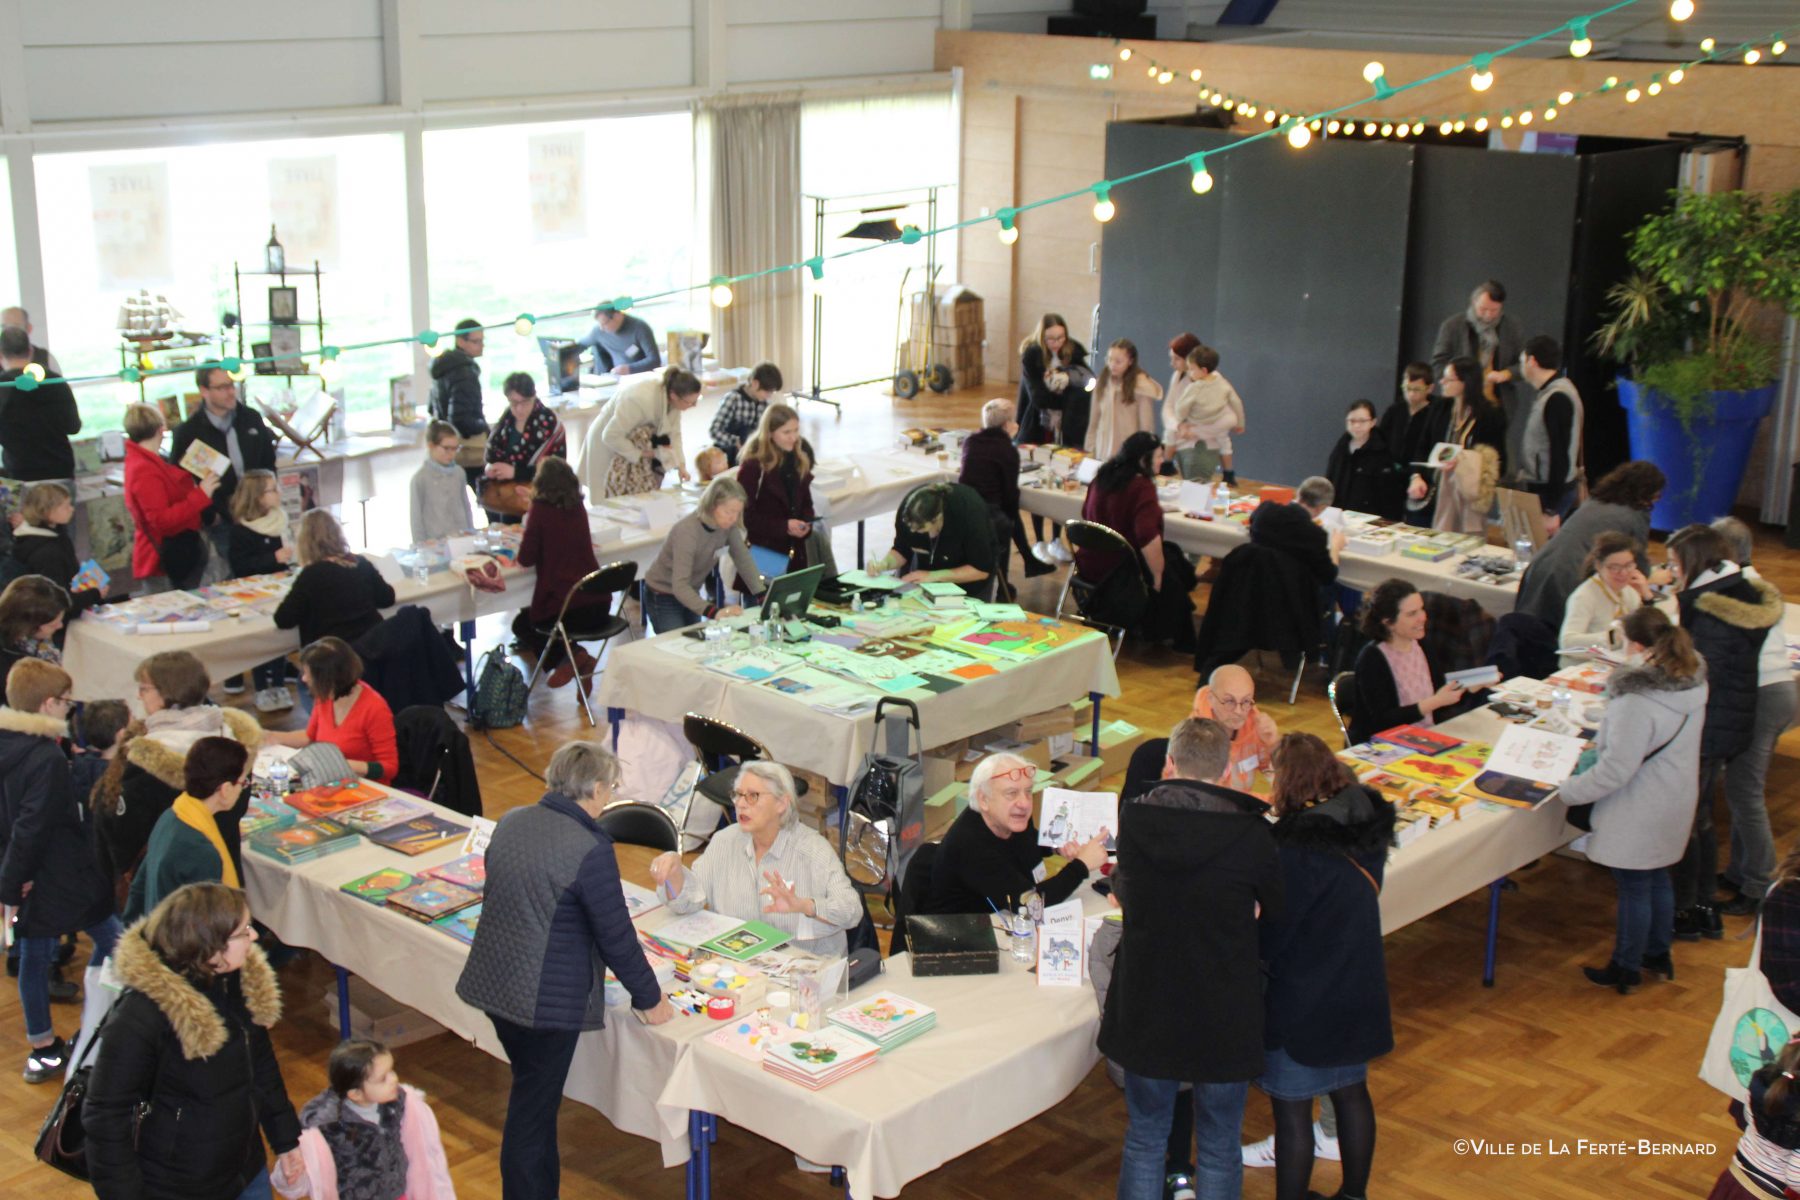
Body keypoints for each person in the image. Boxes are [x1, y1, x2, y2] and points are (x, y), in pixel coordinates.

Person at [455, 742, 673, 1200]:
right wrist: (650, 999)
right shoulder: (588, 847)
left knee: (533, 1097)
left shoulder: (512, 820)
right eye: (611, 788)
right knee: (531, 1115)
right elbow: (616, 937)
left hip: (496, 985)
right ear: (594, 789)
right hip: (542, 1004)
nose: (610, 796)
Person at [1099, 717, 1282, 1200]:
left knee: (1144, 1139)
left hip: (1149, 1003)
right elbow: (1275, 907)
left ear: (1169, 763)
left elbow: (1128, 894)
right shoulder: (1251, 834)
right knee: (1220, 1145)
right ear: (1225, 772)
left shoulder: (1135, 823)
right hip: (1224, 1008)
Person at [86, 883, 302, 1200]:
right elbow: (106, 1114)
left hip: (245, 1169)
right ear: (211, 947)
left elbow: (261, 1064)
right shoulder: (141, 1016)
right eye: (243, 932)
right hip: (178, 1187)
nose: (254, 937)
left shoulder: (238, 981)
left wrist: (286, 1139)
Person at [1254, 733, 1393, 1200]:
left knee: (1292, 1114)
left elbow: (1276, 932)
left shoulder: (1294, 852)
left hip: (1302, 1002)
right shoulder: (1364, 824)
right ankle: (1355, 1194)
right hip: (1356, 986)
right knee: (1352, 1094)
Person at [1558, 606, 1706, 993]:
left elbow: (1614, 771)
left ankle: (1626, 966)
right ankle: (1657, 953)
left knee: (1634, 884)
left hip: (1638, 806)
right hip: (1674, 796)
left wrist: (1567, 790)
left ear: (1636, 645)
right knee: (1657, 875)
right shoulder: (1691, 682)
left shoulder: (1636, 700)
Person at [0, 658, 120, 1082]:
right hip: (63, 873)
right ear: (48, 704)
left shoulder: (10, 742)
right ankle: (102, 1033)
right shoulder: (44, 757)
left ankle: (41, 1046)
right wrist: (11, 887)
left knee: (33, 956)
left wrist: (10, 883)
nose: (71, 712)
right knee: (118, 941)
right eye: (67, 703)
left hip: (25, 874)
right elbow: (33, 825)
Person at [1665, 524, 1783, 940]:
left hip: (1708, 725)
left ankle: (1687, 910)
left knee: (1688, 820)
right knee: (1701, 819)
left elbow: (1696, 672)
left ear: (1693, 561)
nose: (1671, 571)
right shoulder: (1740, 595)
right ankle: (1702, 905)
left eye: (1675, 563)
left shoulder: (1712, 610)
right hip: (1725, 723)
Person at [651, 760, 864, 956]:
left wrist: (805, 905)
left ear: (781, 803)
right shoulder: (724, 841)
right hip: (739, 965)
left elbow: (852, 911)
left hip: (804, 974)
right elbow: (687, 903)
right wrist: (674, 877)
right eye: (738, 794)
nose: (741, 804)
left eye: (752, 796)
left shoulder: (813, 850)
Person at [96, 650, 263, 895]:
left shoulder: (148, 759)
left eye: (144, 688)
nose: (139, 695)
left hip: (169, 886)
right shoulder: (232, 740)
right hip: (222, 872)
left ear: (166, 692)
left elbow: (127, 834)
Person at [1712, 517, 1800, 918]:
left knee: (1744, 792)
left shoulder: (1735, 592)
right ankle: (1740, 872)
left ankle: (1759, 882)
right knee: (1744, 788)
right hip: (1780, 691)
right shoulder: (1759, 583)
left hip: (1762, 696)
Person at [922, 751, 1110, 915]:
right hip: (964, 935)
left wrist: (1055, 845)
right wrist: (1081, 866)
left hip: (1001, 916)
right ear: (983, 800)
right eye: (1011, 793)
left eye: (1028, 791)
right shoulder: (970, 845)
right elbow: (1031, 904)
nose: (1024, 803)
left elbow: (1023, 843)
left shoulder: (1008, 817)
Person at [1076, 431, 1196, 649]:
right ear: (1143, 460)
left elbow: (1086, 513)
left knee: (1172, 556)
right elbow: (1146, 535)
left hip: (1088, 563)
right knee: (1171, 567)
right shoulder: (1141, 488)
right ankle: (1170, 635)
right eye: (1159, 457)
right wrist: (1157, 576)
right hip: (1118, 570)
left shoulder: (1101, 477)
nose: (1162, 461)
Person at [295, 1038, 455, 1200]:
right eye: (383, 1078)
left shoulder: (400, 1106)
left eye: (392, 1070)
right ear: (355, 1094)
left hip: (398, 1195)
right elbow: (308, 1171)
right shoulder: (328, 1126)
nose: (394, 1079)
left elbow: (426, 1154)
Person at [1514, 460, 1666, 625]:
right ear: (1648, 493)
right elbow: (1638, 569)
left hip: (1541, 564)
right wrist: (1660, 577)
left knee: (1526, 630)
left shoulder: (1595, 501)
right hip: (1571, 576)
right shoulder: (1635, 515)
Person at [124, 736, 250, 922]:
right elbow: (209, 925)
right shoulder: (201, 850)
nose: (242, 790)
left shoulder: (172, 815)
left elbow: (139, 886)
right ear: (224, 789)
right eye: (242, 783)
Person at [169, 364, 280, 570]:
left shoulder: (251, 419)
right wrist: (210, 515)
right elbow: (180, 481)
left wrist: (268, 496)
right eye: (221, 387)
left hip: (260, 513)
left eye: (231, 385)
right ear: (204, 391)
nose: (230, 392)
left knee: (269, 568)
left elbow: (268, 462)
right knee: (237, 572)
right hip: (224, 519)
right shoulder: (189, 433)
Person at [1347, 578, 1484, 745]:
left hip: (1424, 736)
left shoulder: (1421, 645)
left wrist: (1470, 687)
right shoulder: (1372, 658)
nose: (1423, 618)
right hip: (1382, 744)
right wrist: (1434, 702)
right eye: (1412, 614)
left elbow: (1440, 692)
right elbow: (1383, 720)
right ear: (1388, 622)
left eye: (1422, 609)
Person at [1123, 665, 1279, 802]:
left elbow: (1280, 782)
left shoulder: (1256, 726)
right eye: (1229, 701)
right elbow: (1214, 800)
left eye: (1246, 701)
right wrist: (1265, 804)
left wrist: (1274, 746)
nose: (1239, 711)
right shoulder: (1196, 738)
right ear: (1211, 698)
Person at [513, 456, 605, 688]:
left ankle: (573, 657)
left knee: (523, 625)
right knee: (542, 624)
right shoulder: (577, 506)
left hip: (567, 606)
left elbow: (526, 558)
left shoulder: (541, 510)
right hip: (599, 603)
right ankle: (577, 660)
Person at [265, 638, 399, 782]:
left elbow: (389, 768)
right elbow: (310, 737)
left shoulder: (374, 708)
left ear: (328, 678)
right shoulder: (325, 696)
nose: (304, 678)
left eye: (308, 674)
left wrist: (342, 765)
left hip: (362, 787)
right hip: (331, 781)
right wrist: (271, 736)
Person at [640, 477, 763, 632]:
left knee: (693, 644)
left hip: (690, 591)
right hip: (663, 594)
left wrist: (761, 593)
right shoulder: (687, 531)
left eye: (738, 513)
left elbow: (743, 559)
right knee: (675, 646)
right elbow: (680, 585)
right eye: (728, 512)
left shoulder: (727, 527)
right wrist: (714, 612)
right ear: (712, 506)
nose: (734, 518)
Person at [122, 401, 220, 592]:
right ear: (161, 430)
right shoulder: (145, 470)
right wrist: (200, 495)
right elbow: (162, 520)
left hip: (172, 553)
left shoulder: (145, 463)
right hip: (165, 558)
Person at [1430, 280, 1526, 464]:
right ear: (1473, 303)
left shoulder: (1512, 327)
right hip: (1460, 403)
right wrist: (1456, 378)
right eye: (1483, 309)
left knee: (1493, 459)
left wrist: (1506, 374)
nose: (1489, 315)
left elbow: (1524, 364)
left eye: (1494, 310)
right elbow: (1438, 363)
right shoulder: (1453, 326)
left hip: (1496, 404)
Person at [1406, 356, 1504, 534]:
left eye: (1449, 379)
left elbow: (1497, 460)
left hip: (1467, 499)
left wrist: (1463, 463)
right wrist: (1416, 477)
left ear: (1466, 382)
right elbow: (1422, 447)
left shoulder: (1490, 415)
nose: (1442, 382)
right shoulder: (1439, 408)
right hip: (1432, 492)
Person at [273, 510, 397, 649]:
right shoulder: (359, 563)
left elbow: (283, 619)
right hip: (372, 649)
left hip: (332, 659)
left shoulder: (311, 575)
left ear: (304, 543)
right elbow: (387, 598)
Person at [960, 397, 1050, 586]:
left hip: (967, 507)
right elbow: (1009, 495)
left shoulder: (971, 441)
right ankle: (1004, 583)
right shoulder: (1007, 450)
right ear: (1007, 424)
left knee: (1009, 517)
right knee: (1008, 518)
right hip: (988, 512)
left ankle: (1028, 560)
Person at [227, 468, 297, 710]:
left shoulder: (280, 520)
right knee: (260, 644)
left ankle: (278, 685)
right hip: (254, 595)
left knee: (278, 639)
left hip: (279, 589)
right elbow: (241, 566)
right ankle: (261, 688)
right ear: (258, 496)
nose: (279, 493)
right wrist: (273, 558)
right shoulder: (241, 530)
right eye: (273, 489)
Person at [579, 365, 700, 499]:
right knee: (607, 502)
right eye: (691, 402)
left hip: (633, 447)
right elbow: (610, 435)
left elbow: (675, 435)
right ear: (674, 395)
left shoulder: (674, 402)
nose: (694, 406)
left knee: (638, 502)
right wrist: (641, 453)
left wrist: (681, 465)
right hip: (607, 446)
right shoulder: (638, 398)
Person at [869, 481, 998, 597]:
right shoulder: (908, 511)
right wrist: (884, 564)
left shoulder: (969, 515)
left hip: (969, 583)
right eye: (911, 528)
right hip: (929, 582)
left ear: (937, 519)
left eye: (920, 529)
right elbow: (902, 550)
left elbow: (980, 570)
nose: (914, 532)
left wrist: (933, 576)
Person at [736, 403, 819, 580]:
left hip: (794, 554)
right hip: (764, 555)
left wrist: (806, 523)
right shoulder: (753, 467)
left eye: (796, 430)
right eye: (786, 432)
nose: (794, 438)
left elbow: (806, 503)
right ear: (770, 433)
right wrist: (784, 526)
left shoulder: (798, 460)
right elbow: (745, 516)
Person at [1709, 1038, 1800, 1200]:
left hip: (1733, 1179)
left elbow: (1747, 1118)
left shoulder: (1763, 1086)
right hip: (1764, 1194)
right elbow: (1795, 1176)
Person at [481, 372, 566, 523]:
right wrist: (492, 468)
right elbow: (492, 453)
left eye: (525, 402)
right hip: (509, 499)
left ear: (534, 396)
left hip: (540, 499)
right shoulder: (506, 421)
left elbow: (555, 469)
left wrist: (515, 472)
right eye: (513, 402)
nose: (519, 409)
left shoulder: (549, 422)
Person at [1557, 530, 1649, 667]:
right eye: (1614, 567)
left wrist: (1647, 596)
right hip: (1582, 667)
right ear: (1599, 566)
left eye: (1628, 565)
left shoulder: (1629, 592)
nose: (1623, 573)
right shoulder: (1584, 596)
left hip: (1616, 663)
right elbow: (1567, 643)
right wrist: (1612, 637)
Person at [0, 324, 80, 481]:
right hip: (60, 472)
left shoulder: (2, 388)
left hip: (21, 475)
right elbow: (73, 427)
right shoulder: (55, 382)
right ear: (30, 351)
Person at [1515, 334, 1584, 516]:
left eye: (1522, 361)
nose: (1521, 367)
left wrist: (1551, 509)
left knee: (1540, 544)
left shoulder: (1557, 397)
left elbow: (1559, 452)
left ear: (1531, 361)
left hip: (1549, 491)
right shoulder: (1555, 391)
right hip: (1547, 487)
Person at [9, 482, 104, 611]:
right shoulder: (47, 552)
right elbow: (56, 601)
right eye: (65, 506)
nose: (72, 509)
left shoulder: (57, 535)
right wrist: (95, 594)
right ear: (47, 511)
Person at [1012, 311, 1092, 451]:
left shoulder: (1073, 350)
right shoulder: (1032, 354)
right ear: (1042, 337)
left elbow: (1088, 382)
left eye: (1061, 338)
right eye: (1051, 339)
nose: (1056, 343)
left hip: (1071, 418)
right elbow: (1037, 396)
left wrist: (1073, 381)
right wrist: (1067, 400)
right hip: (1039, 416)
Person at [1168, 343, 1245, 484]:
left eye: (1191, 369)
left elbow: (1181, 408)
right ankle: (1228, 473)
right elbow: (1236, 402)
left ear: (1203, 371)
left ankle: (1170, 461)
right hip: (1217, 420)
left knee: (1178, 434)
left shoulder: (1194, 388)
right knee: (1228, 429)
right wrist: (1240, 423)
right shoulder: (1222, 382)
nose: (1190, 373)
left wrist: (1180, 422)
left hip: (1199, 422)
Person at [1249, 475, 1343, 587]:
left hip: (1254, 583)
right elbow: (1328, 577)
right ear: (1322, 507)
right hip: (1291, 594)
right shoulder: (1315, 535)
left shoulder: (1265, 510)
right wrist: (1335, 548)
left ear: (1298, 494)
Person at [428, 318, 488, 491]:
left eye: (482, 340)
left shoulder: (442, 367)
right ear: (460, 341)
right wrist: (483, 427)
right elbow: (460, 419)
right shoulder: (464, 373)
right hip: (468, 450)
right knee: (489, 497)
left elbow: (432, 408)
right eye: (476, 341)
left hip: (446, 446)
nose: (482, 345)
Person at [1085, 338, 1162, 462]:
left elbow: (1146, 427)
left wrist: (1143, 456)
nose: (1112, 365)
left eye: (1118, 361)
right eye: (1109, 359)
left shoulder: (1142, 386)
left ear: (1130, 361)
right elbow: (1094, 420)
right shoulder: (1102, 382)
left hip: (1128, 449)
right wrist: (1090, 448)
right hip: (1102, 448)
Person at [1325, 400, 1403, 520]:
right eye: (1352, 421)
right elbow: (1330, 481)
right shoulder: (1340, 449)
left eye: (1362, 421)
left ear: (1373, 422)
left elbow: (1389, 495)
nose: (1356, 425)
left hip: (1371, 519)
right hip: (1341, 515)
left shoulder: (1383, 452)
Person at [0, 573, 71, 689]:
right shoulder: (7, 667)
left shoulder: (32, 640)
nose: (60, 626)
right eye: (53, 624)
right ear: (28, 626)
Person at [410, 419, 475, 543]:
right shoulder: (420, 479)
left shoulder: (459, 473)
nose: (451, 454)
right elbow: (416, 519)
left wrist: (471, 534)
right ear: (431, 446)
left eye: (455, 448)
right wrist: (421, 547)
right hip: (435, 544)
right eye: (446, 448)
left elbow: (466, 507)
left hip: (461, 539)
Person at [708, 361, 783, 466]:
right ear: (755, 383)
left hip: (750, 453)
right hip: (727, 455)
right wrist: (735, 442)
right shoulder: (733, 399)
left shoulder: (765, 404)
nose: (769, 396)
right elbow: (714, 431)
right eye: (767, 392)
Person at [576, 303, 661, 377]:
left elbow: (654, 360)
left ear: (617, 315)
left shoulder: (640, 328)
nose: (601, 328)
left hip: (640, 377)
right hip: (614, 378)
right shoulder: (598, 331)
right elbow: (579, 346)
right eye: (599, 324)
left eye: (604, 323)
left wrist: (629, 369)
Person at [1, 305, 62, 376]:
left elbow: (60, 385)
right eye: (3, 327)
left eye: (16, 326)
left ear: (29, 328)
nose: (9, 331)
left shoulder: (46, 358)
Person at [1162, 332, 1200, 442]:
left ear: (1190, 358)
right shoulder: (1178, 375)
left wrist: (1191, 430)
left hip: (1200, 443)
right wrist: (1177, 425)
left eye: (1177, 359)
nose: (1172, 364)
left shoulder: (1211, 379)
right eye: (1171, 358)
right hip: (1176, 440)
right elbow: (1168, 408)